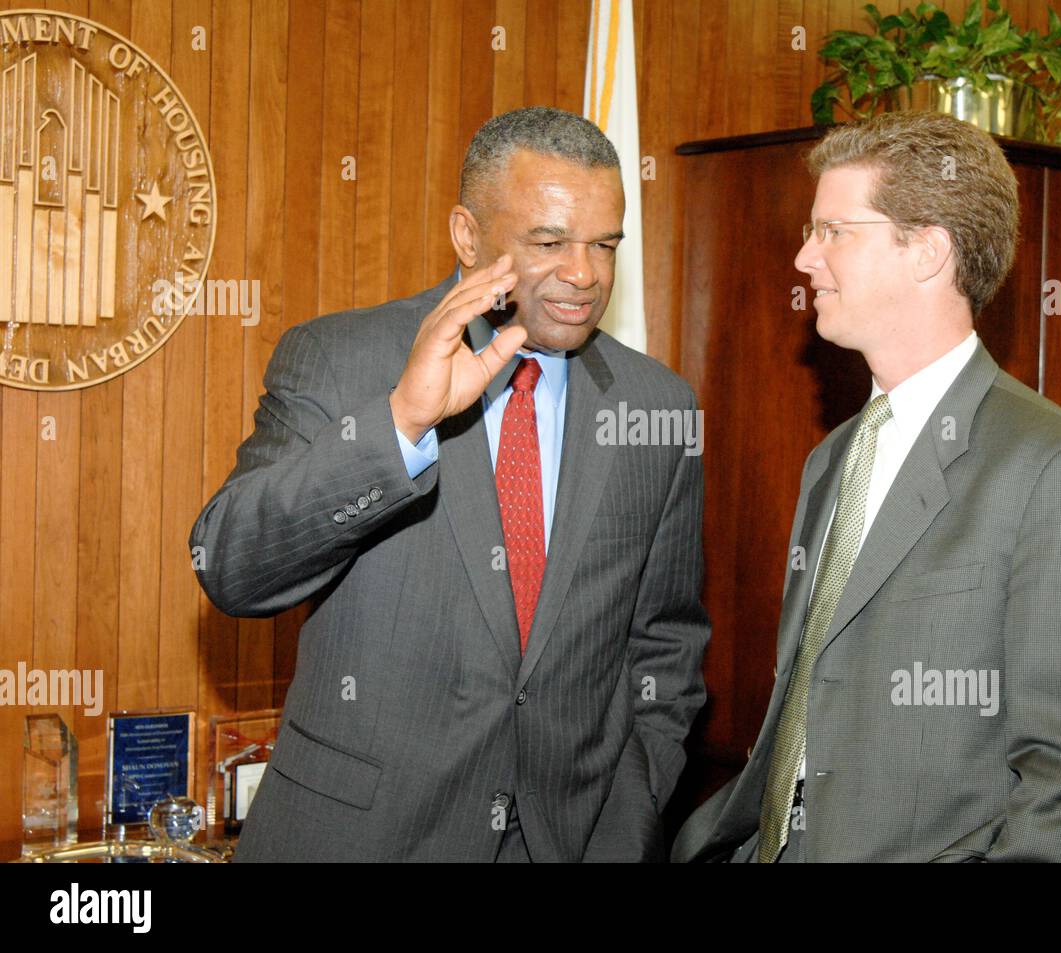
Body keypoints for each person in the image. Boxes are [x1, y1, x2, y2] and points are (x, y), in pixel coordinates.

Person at [190, 106, 708, 862]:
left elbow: (664, 642)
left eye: (605, 244)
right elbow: (233, 565)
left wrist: (631, 812)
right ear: (468, 235)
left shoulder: (657, 406)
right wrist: (401, 423)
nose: (585, 274)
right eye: (549, 241)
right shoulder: (339, 359)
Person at [671, 111, 1061, 863]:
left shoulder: (1056, 466)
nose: (804, 257)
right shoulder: (833, 458)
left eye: (834, 231)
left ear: (927, 251)